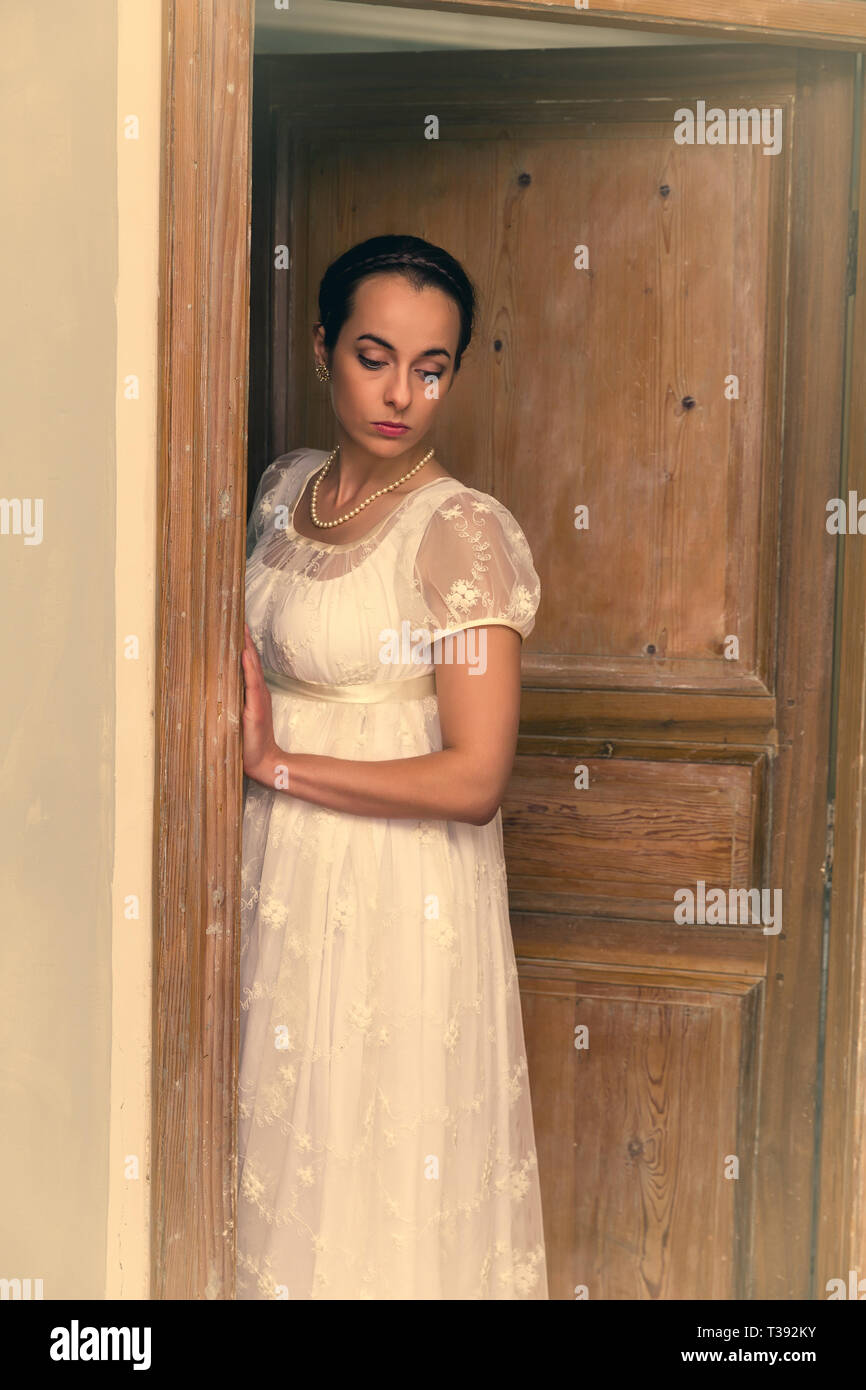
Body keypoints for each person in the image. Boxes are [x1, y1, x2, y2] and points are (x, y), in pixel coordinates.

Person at [237, 233, 547, 1300]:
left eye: (431, 367)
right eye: (374, 356)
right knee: (275, 1128)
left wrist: (278, 764)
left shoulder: (460, 532)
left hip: (391, 892)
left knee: (372, 1141)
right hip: (270, 870)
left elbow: (472, 780)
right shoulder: (284, 493)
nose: (401, 394)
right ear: (320, 345)